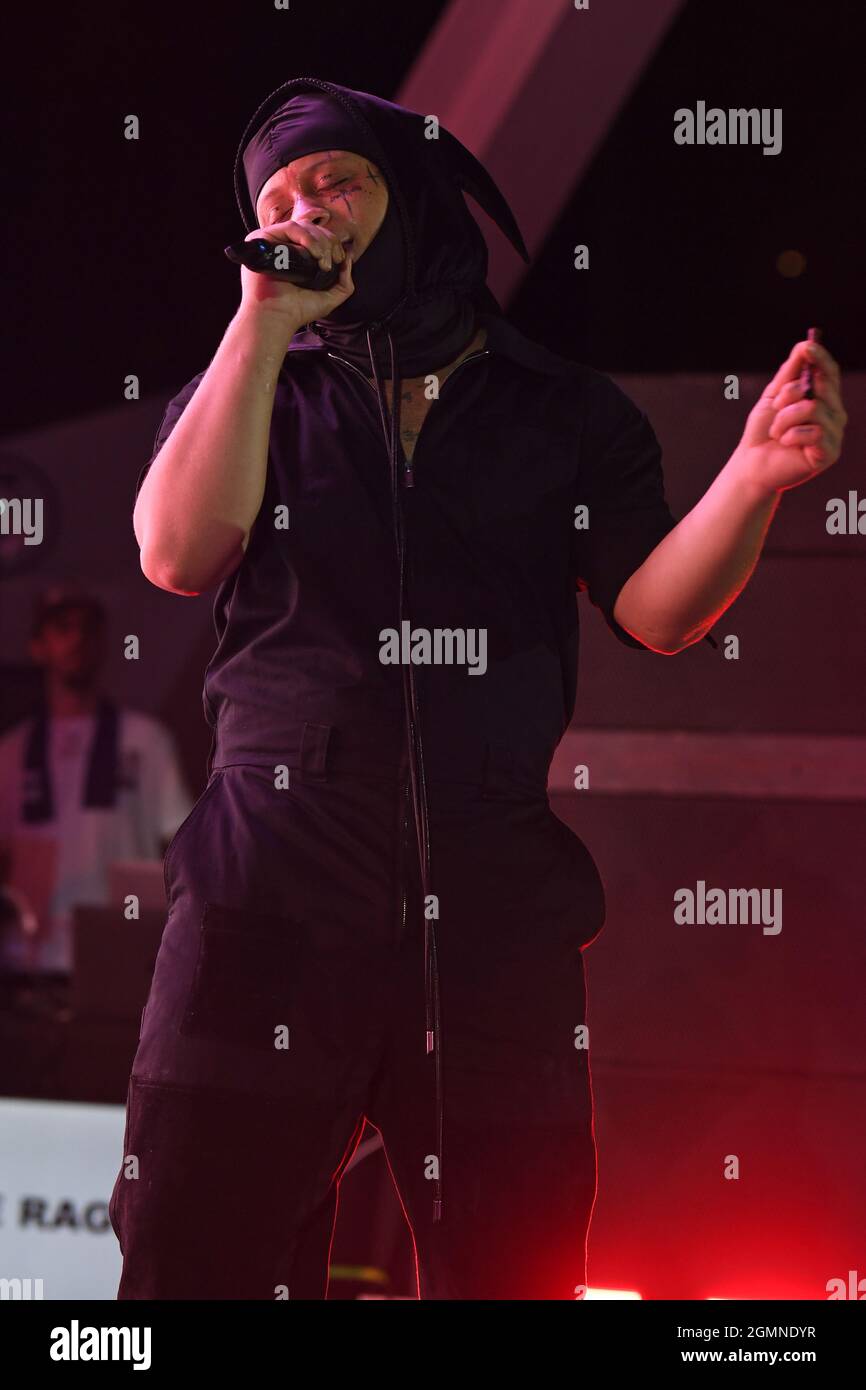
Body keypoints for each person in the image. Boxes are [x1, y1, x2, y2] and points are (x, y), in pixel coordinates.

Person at [109, 78, 847, 1300]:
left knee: (513, 1264)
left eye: (337, 181)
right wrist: (262, 319)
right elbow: (179, 553)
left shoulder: (560, 409)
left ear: (412, 198)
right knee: (197, 1256)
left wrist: (753, 478)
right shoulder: (249, 390)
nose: (305, 211)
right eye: (276, 199)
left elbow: (658, 612)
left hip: (492, 908)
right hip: (269, 895)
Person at [0, 585, 193, 981]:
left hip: (121, 950)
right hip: (30, 956)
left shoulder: (147, 741)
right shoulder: (10, 752)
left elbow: (182, 849)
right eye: (63, 627)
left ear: (104, 643)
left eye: (88, 628)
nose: (77, 638)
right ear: (38, 646)